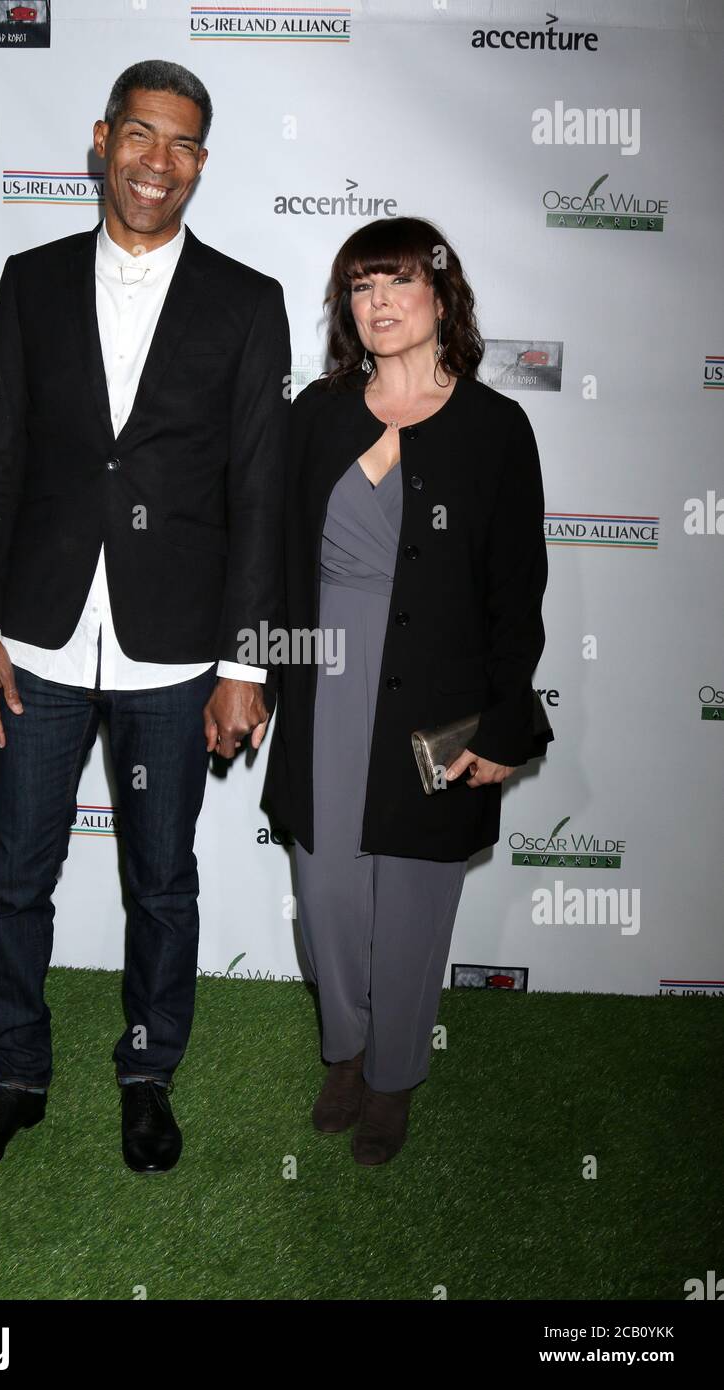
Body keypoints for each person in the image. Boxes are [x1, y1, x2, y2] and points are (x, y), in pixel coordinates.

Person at [0, 60, 290, 1177]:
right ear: (101, 141)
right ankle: (15, 1074)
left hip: (177, 651)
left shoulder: (246, 303)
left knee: (162, 882)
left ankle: (147, 1075)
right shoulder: (28, 282)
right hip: (36, 639)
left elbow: (258, 495)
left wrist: (247, 660)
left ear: (200, 163)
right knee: (18, 876)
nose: (158, 162)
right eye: (141, 136)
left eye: (183, 145)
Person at [262, 216, 553, 1166]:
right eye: (359, 287)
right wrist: (254, 670)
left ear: (441, 294)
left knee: (418, 899)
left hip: (442, 699)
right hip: (325, 686)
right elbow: (272, 559)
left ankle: (394, 1077)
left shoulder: (497, 428)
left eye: (396, 282)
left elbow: (518, 589)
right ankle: (343, 1052)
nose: (378, 303)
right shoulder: (316, 411)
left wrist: (509, 722)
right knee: (328, 890)